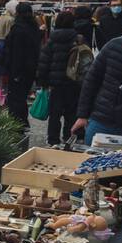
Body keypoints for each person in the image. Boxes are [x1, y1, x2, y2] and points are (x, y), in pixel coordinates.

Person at [36, 10, 82, 146]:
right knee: (71, 113)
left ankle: (53, 140)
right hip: (73, 82)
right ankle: (69, 138)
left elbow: (44, 63)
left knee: (54, 114)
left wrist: (42, 82)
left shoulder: (52, 40)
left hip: (55, 83)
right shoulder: (78, 39)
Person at [2, 1, 41, 125]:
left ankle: (17, 123)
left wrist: (14, 71)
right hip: (30, 69)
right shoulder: (33, 27)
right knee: (21, 97)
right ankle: (21, 122)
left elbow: (17, 53)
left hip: (18, 71)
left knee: (15, 98)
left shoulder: (19, 29)